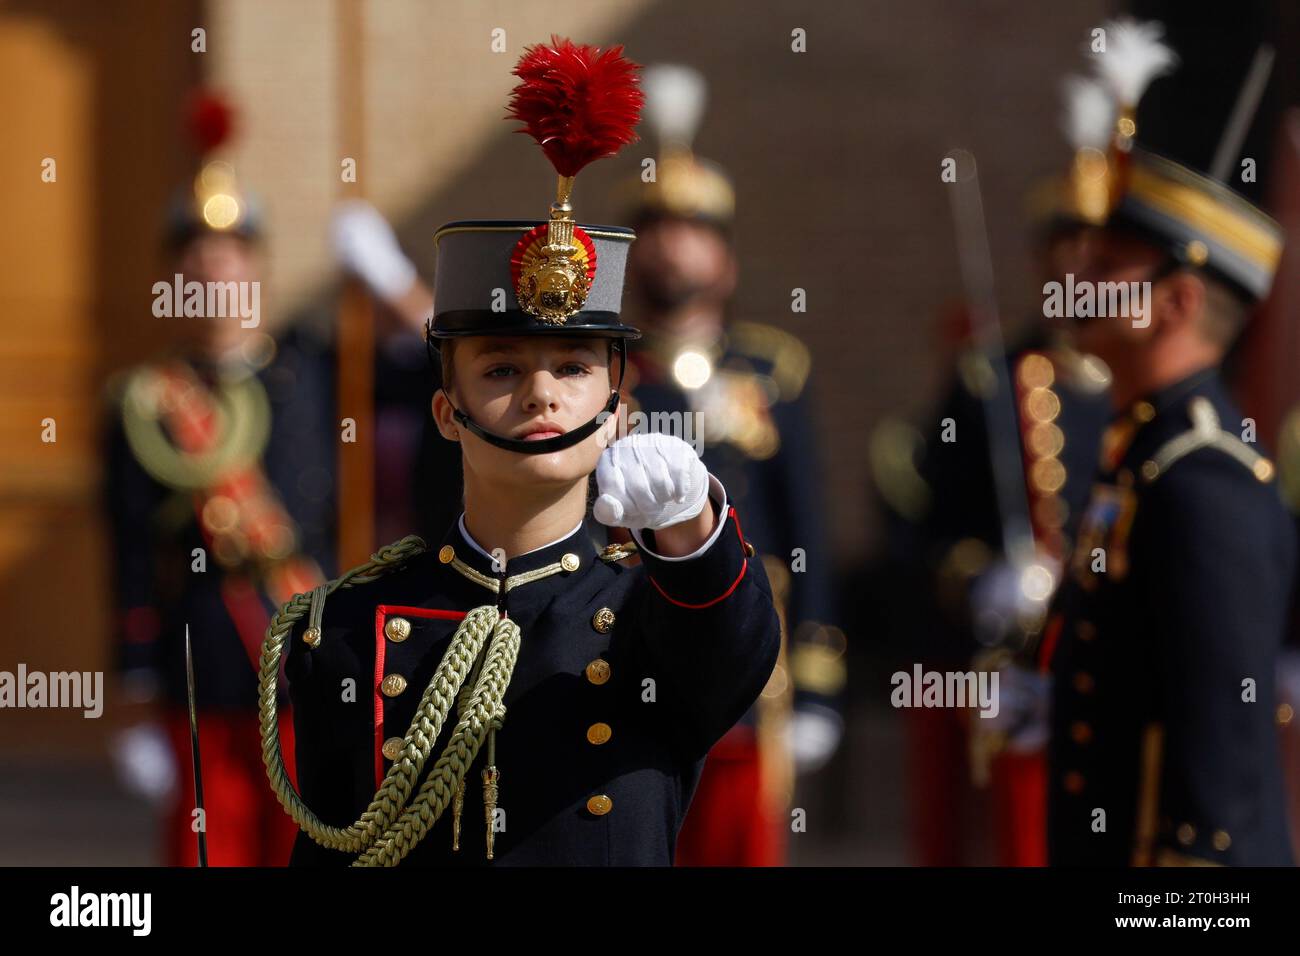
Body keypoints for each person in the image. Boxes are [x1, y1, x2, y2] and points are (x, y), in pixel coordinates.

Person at [258, 37, 781, 866]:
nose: (541, 395)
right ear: (446, 409)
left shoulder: (649, 621)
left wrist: (691, 534)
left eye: (573, 369)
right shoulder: (349, 628)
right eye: (501, 368)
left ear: (616, 408)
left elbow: (734, 651)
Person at [1043, 140, 1293, 864]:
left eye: (1109, 264)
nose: (1077, 278)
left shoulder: (1202, 479)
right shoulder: (1142, 455)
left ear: (1177, 302)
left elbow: (1218, 750)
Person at [620, 64, 844, 866]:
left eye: (695, 229)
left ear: (726, 256)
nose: (675, 244)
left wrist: (817, 682)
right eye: (657, 226)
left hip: (754, 677)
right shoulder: (602, 371)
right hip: (628, 664)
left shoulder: (773, 369)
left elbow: (807, 522)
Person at [103, 92, 334, 865]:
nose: (211, 265)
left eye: (230, 249)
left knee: (305, 841)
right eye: (194, 251)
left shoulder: (310, 371)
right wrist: (135, 687)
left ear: (256, 264)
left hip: (305, 640)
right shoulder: (145, 401)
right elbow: (131, 550)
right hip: (200, 656)